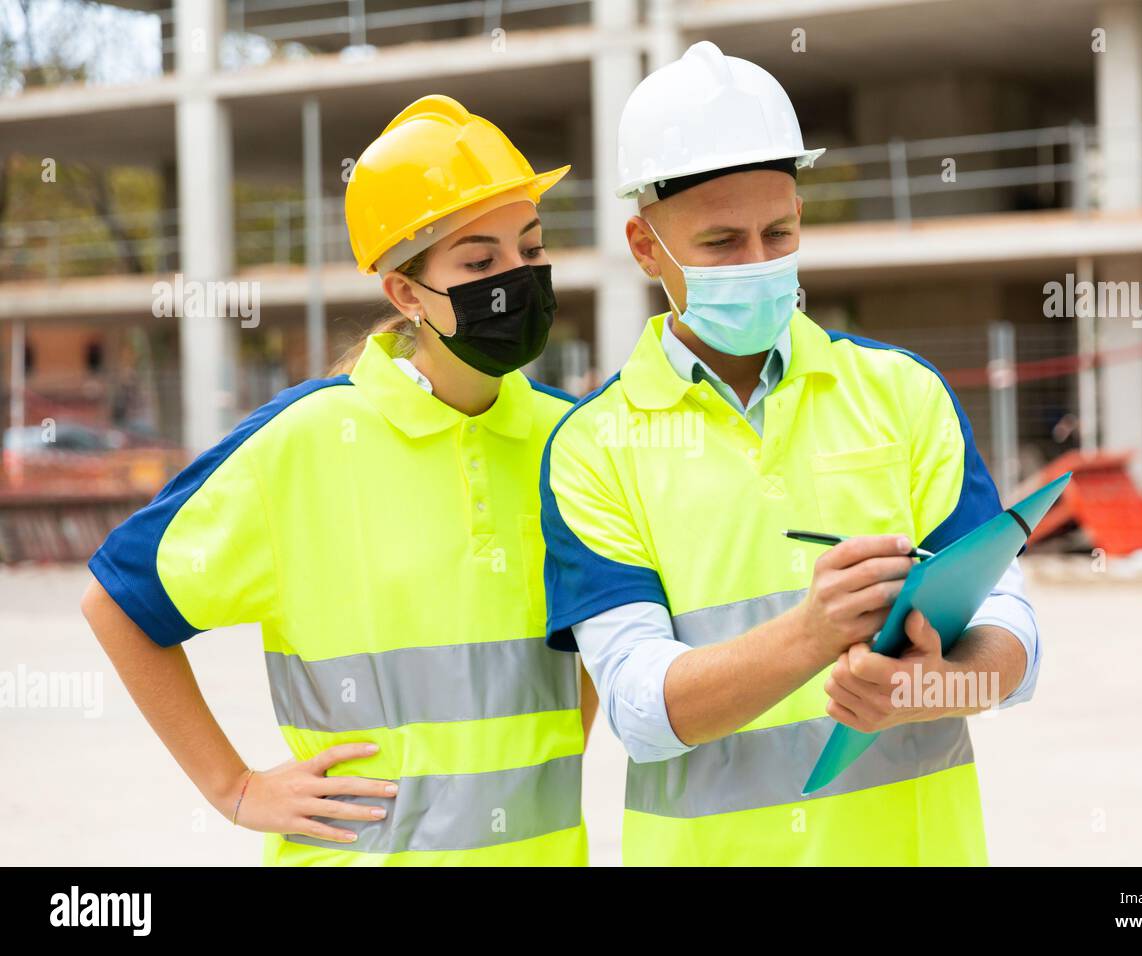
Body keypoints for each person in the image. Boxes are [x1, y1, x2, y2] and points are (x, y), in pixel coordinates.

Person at [540, 42, 1041, 866]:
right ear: (643, 244)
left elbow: (1012, 647)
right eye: (721, 242)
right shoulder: (592, 448)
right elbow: (637, 712)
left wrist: (925, 689)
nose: (759, 264)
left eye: (779, 232)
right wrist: (812, 634)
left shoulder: (902, 393)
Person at [81, 95, 593, 866]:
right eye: (481, 262)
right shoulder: (306, 440)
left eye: (530, 248)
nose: (518, 278)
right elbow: (118, 602)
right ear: (406, 293)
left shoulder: (571, 438)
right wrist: (237, 789)